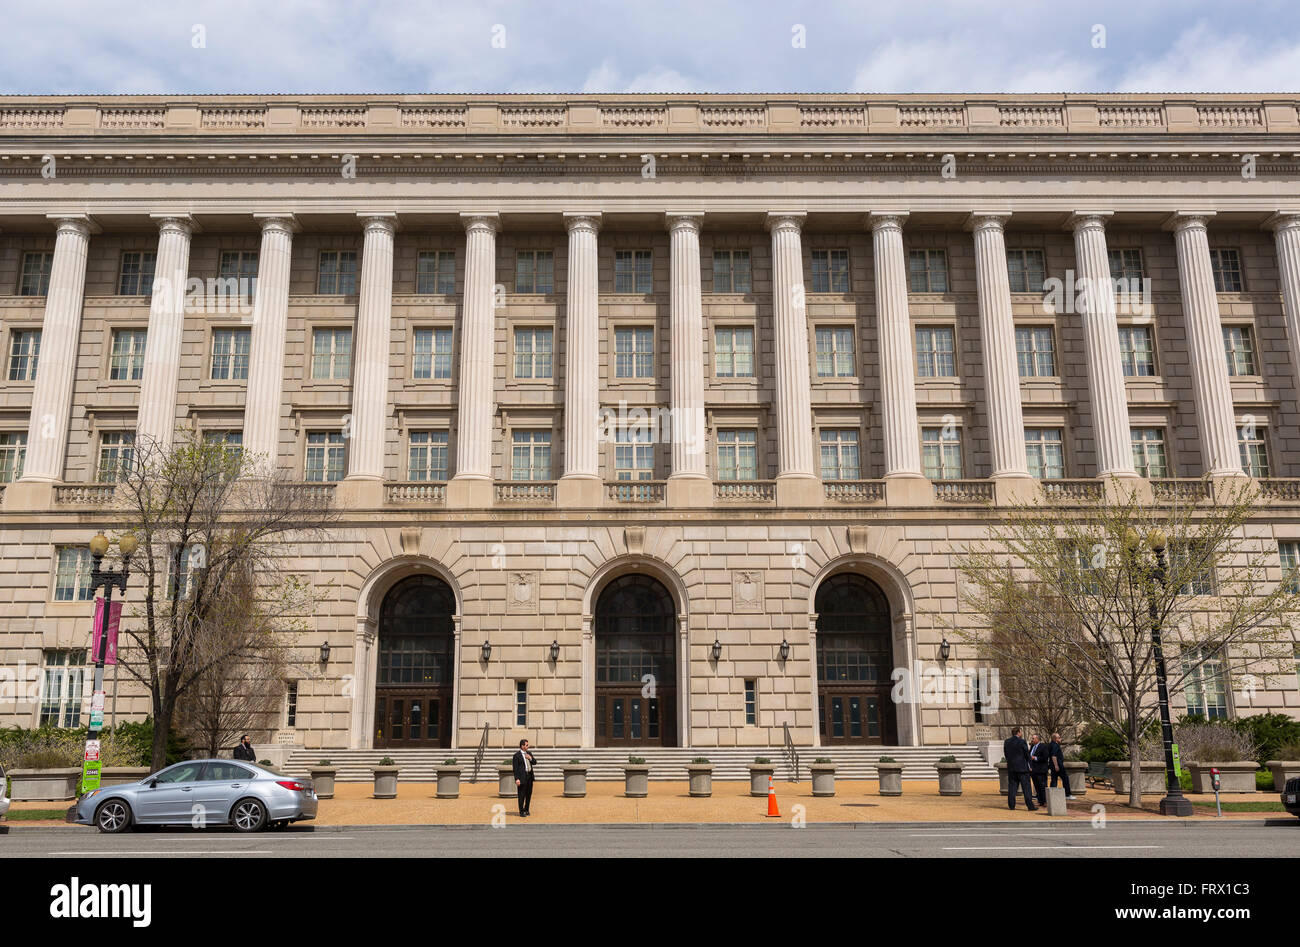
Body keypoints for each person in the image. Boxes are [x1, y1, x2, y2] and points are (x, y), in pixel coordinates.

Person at [1002, 726, 1037, 811]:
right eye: (1020, 732)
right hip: (1022, 768)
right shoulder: (1022, 741)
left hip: (1012, 768)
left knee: (1012, 788)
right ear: (1018, 732)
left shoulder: (1007, 742)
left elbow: (1006, 754)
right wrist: (1030, 765)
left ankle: (1011, 805)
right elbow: (1026, 755)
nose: (1021, 733)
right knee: (1026, 788)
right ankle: (1030, 806)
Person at [1047, 732, 1077, 800]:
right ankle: (1067, 794)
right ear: (1056, 739)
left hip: (1053, 765)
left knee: (1054, 780)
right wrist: (1056, 765)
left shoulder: (1051, 744)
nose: (1061, 739)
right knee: (1065, 779)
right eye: (1059, 737)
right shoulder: (1055, 745)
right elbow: (1053, 756)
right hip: (1058, 765)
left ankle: (1052, 795)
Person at [512, 738, 536, 817]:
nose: (527, 746)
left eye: (527, 745)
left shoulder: (529, 753)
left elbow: (535, 762)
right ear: (522, 746)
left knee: (529, 794)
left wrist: (530, 758)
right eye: (526, 745)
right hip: (522, 777)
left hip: (529, 776)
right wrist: (517, 779)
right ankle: (521, 811)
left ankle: (526, 809)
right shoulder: (516, 756)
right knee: (521, 795)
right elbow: (515, 769)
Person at [1028, 733, 1050, 808]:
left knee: (1043, 786)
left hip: (1041, 770)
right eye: (1032, 738)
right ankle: (1040, 801)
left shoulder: (1043, 746)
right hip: (1033, 770)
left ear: (1038, 739)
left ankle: (1045, 801)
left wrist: (1036, 758)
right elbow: (1029, 756)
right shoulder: (1032, 746)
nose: (1032, 740)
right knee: (1037, 786)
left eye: (1033, 738)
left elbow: (1045, 757)